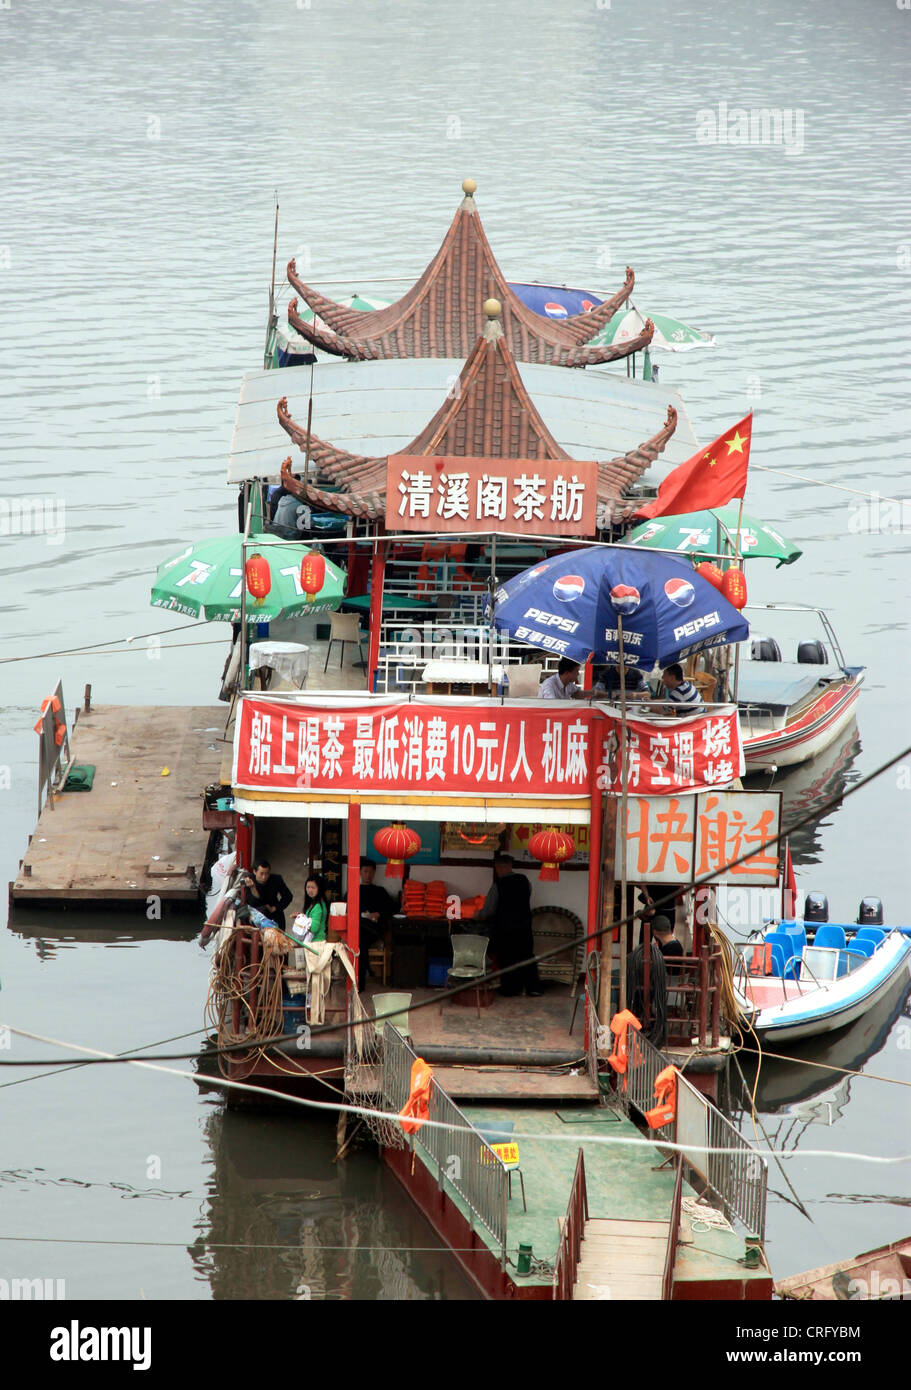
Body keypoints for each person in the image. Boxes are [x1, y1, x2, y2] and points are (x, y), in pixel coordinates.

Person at [476, 853, 542, 997]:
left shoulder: (498, 885)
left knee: (508, 957)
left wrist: (477, 914)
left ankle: (511, 989)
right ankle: (533, 988)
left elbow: (488, 910)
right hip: (524, 926)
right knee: (527, 956)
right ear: (510, 866)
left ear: (498, 868)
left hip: (506, 928)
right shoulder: (524, 881)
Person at [357, 858, 397, 990]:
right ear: (360, 873)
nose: (368, 875)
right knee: (360, 940)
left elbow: (393, 908)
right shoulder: (354, 891)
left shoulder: (380, 891)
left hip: (373, 930)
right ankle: (366, 968)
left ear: (374, 873)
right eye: (365, 871)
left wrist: (378, 914)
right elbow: (346, 910)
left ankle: (361, 982)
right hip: (358, 928)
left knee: (361, 941)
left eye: (371, 872)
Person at [242, 858, 294, 931]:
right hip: (257, 918)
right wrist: (252, 887)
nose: (264, 877)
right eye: (261, 873)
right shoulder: (249, 880)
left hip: (275, 916)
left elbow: (288, 896)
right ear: (255, 871)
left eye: (267, 874)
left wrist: (275, 908)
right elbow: (252, 903)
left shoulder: (276, 879)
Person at [302, 875, 329, 942]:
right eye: (308, 887)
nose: (310, 890)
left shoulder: (318, 907)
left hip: (317, 942)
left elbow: (314, 928)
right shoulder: (314, 903)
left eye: (313, 888)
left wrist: (301, 923)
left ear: (320, 889)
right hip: (314, 941)